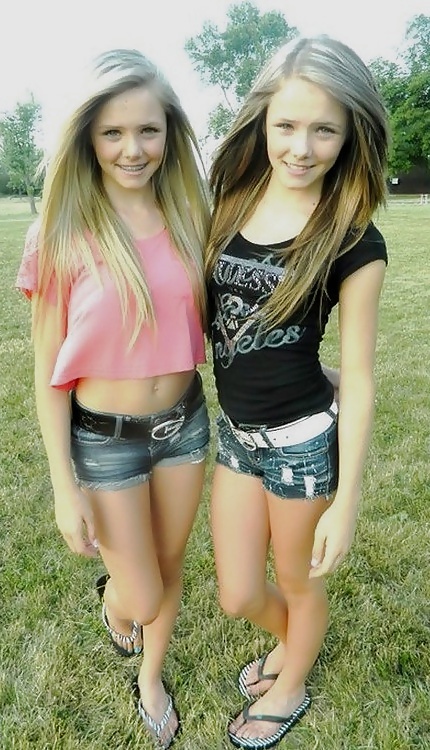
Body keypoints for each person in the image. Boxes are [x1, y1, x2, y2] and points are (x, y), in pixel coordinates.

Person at [16, 48, 211, 750]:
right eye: (113, 133)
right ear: (88, 138)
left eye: (148, 130)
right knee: (143, 592)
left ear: (170, 132)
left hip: (185, 427)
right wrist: (62, 489)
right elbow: (48, 374)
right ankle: (117, 602)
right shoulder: (59, 233)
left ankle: (151, 678)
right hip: (104, 442)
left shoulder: (192, 218)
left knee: (170, 565)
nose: (133, 149)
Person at [206, 35, 389, 749]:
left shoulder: (353, 239)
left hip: (302, 447)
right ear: (262, 120)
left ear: (350, 136)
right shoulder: (231, 201)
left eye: (324, 130)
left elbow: (361, 374)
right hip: (236, 437)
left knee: (298, 579)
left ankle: (293, 682)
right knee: (237, 593)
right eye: (286, 125)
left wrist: (346, 503)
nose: (302, 147)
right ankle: (295, 639)